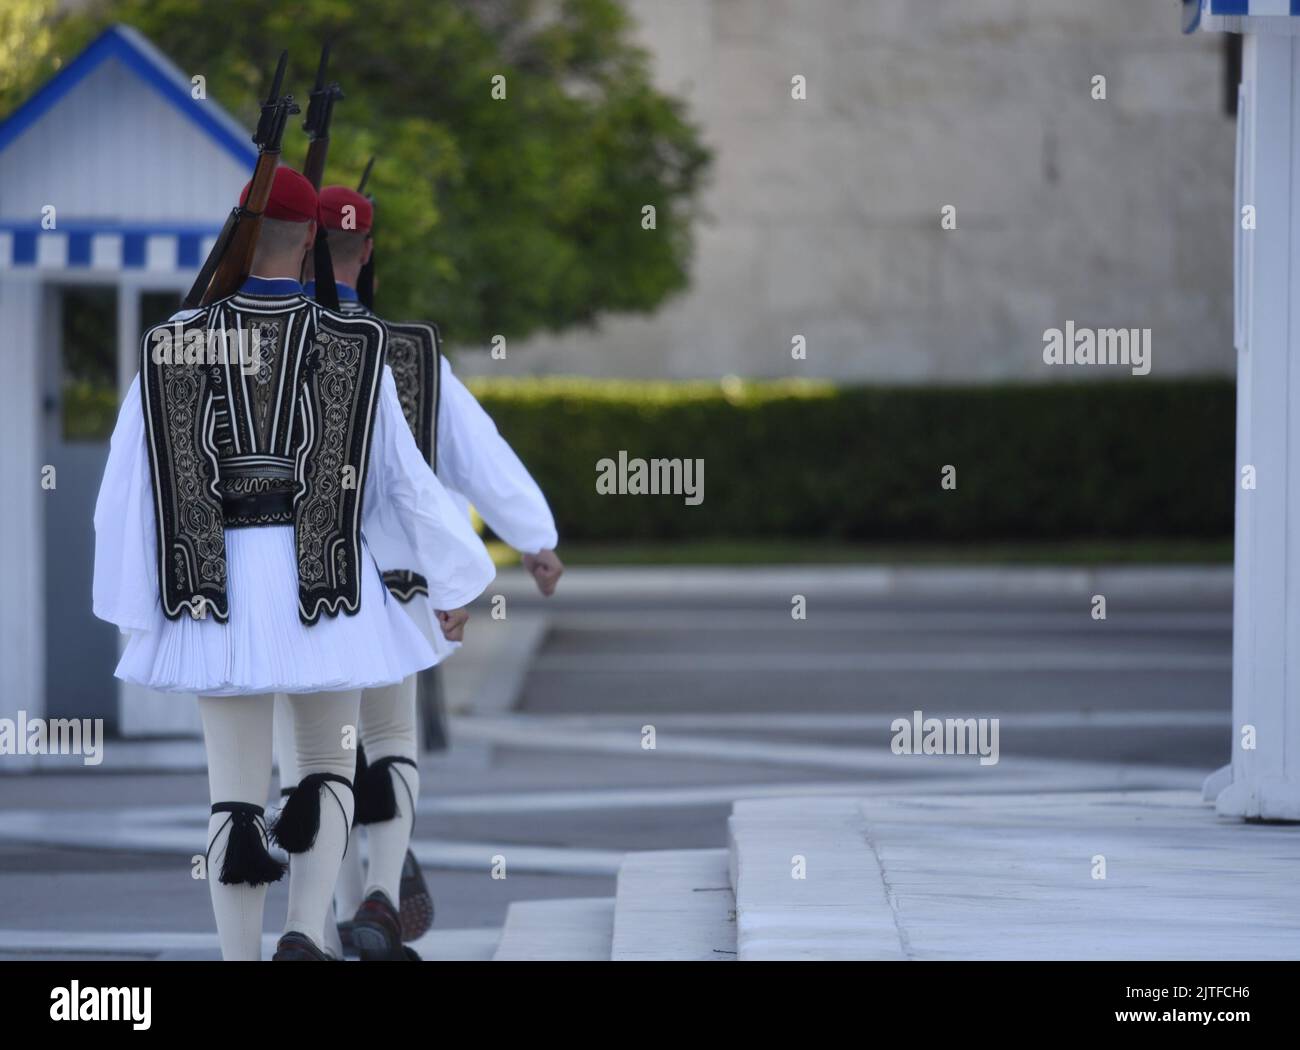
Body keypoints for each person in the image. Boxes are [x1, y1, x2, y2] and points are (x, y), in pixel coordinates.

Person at [92, 166, 495, 961]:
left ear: (241, 234)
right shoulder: (356, 346)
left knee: (232, 797)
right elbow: (401, 487)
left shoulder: (172, 345)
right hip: (328, 587)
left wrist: (137, 606)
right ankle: (306, 935)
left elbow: (124, 496)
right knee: (323, 769)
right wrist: (454, 581)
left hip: (212, 590)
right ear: (312, 238)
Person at [273, 183, 563, 959]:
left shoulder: (267, 344)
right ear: (366, 252)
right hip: (397, 587)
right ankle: (379, 893)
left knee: (310, 762)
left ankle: (328, 919)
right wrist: (532, 540)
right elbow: (472, 457)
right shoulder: (412, 353)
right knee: (390, 740)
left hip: (294, 588)